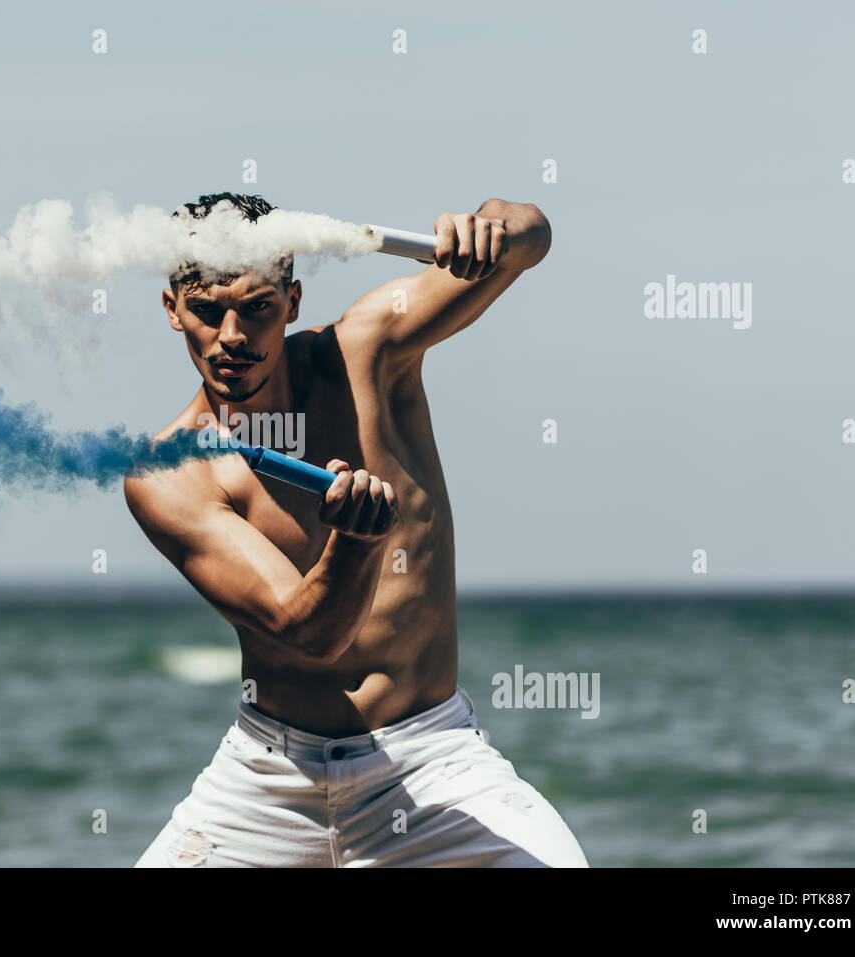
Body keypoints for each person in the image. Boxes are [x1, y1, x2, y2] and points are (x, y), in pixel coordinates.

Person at [124, 193, 588, 867]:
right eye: (207, 310)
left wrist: (491, 227)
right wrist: (357, 540)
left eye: (257, 307)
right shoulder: (169, 471)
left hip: (433, 765)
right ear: (173, 309)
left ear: (293, 300)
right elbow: (310, 631)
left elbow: (533, 239)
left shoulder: (369, 351)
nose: (233, 334)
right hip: (267, 785)